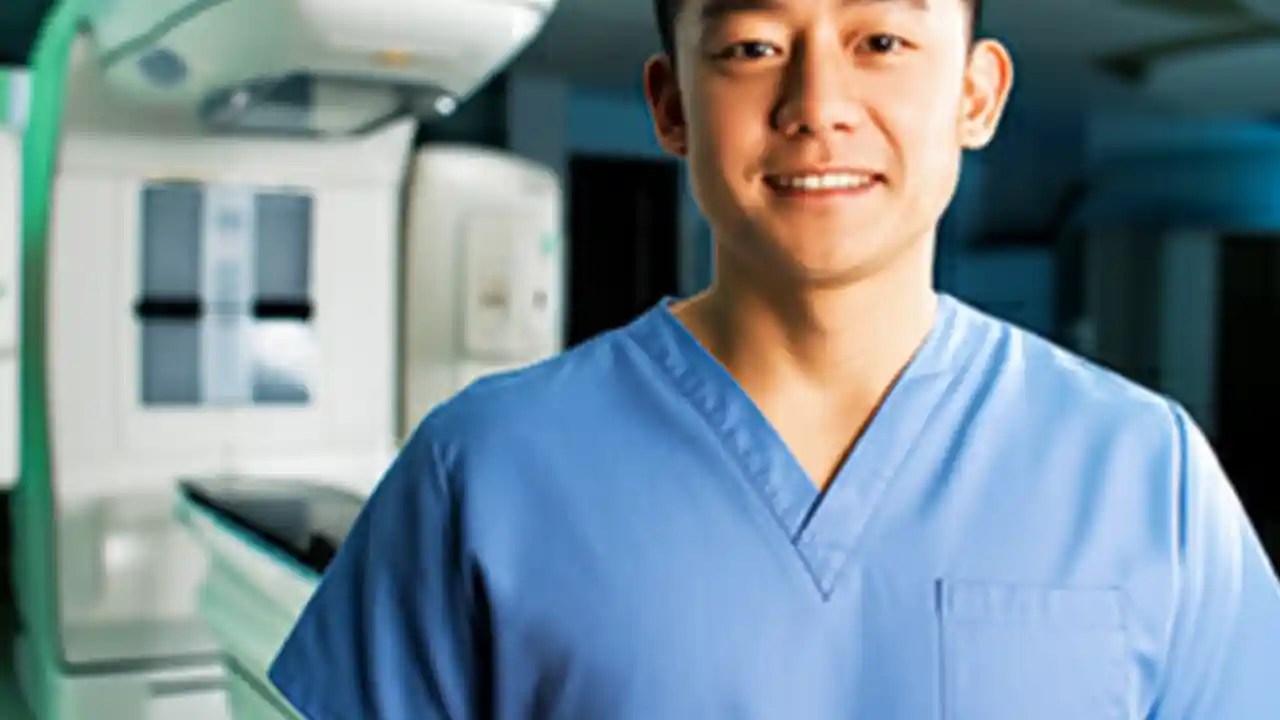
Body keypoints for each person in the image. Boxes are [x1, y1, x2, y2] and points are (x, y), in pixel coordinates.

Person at [267, 0, 1280, 716]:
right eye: (751, 46)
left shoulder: (1146, 476)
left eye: (879, 38)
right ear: (669, 105)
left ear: (975, 94)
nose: (815, 103)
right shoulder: (480, 470)